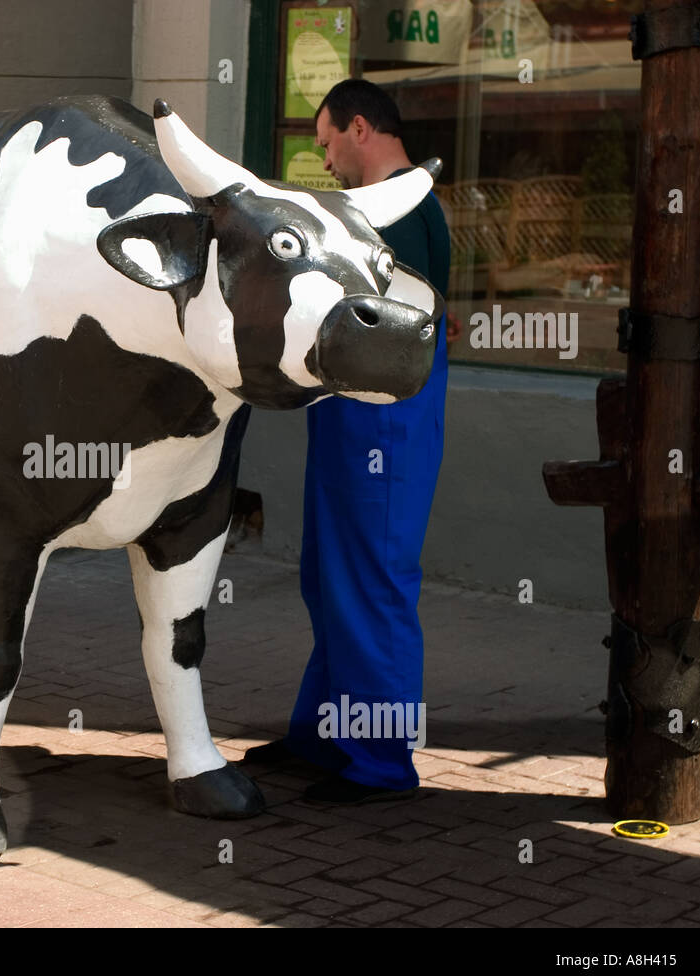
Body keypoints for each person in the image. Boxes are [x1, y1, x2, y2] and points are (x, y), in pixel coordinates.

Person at [245, 79, 452, 804]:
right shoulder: (380, 206)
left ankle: (381, 762)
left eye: (327, 143)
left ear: (360, 128)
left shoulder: (404, 207)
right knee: (329, 576)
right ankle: (325, 734)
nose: (324, 161)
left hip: (384, 419)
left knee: (372, 580)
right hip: (351, 411)